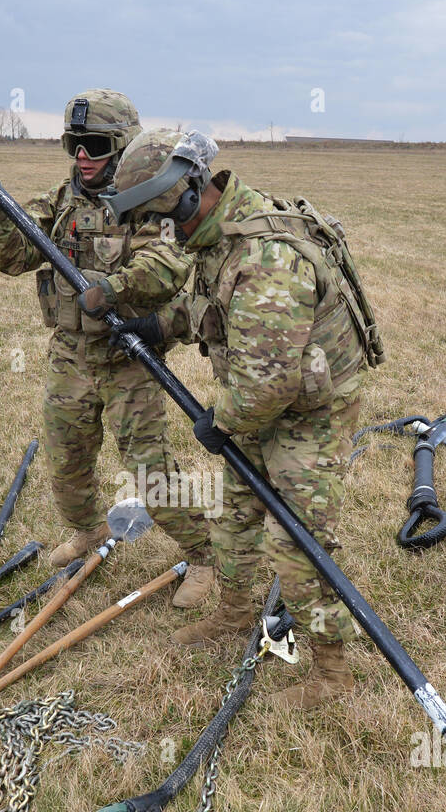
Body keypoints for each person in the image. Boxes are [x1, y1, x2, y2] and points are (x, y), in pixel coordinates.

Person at [102, 128, 369, 709]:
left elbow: (268, 385)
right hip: (262, 400)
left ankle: (331, 673)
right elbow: (211, 310)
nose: (157, 236)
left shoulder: (265, 259)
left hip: (310, 413)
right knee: (234, 520)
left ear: (187, 195)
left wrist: (217, 421)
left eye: (157, 221)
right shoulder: (218, 234)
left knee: (295, 542)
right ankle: (231, 614)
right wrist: (157, 327)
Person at [0, 92, 214, 608]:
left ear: (121, 149)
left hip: (128, 357)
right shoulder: (59, 202)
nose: (82, 156)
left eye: (95, 145)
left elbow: (168, 266)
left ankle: (205, 556)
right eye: (75, 144)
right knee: (65, 457)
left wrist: (109, 288)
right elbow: (12, 257)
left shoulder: (149, 201)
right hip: (70, 355)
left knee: (148, 468)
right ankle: (88, 532)